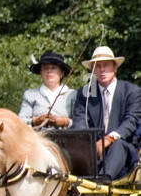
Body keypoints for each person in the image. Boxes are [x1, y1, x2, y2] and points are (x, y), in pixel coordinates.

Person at [69, 45, 141, 181]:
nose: (102, 70)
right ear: (92, 71)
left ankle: (102, 180)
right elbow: (79, 122)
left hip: (122, 148)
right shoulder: (85, 93)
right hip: (93, 150)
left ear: (115, 68)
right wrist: (90, 144)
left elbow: (131, 121)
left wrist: (109, 139)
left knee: (118, 145)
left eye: (106, 65)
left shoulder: (132, 91)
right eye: (97, 66)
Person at [18, 51, 75, 129]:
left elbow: (80, 122)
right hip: (36, 139)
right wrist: (35, 121)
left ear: (62, 73)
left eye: (53, 68)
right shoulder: (30, 95)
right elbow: (20, 121)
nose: (49, 71)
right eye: (45, 68)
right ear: (40, 73)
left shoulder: (72, 95)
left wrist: (64, 121)